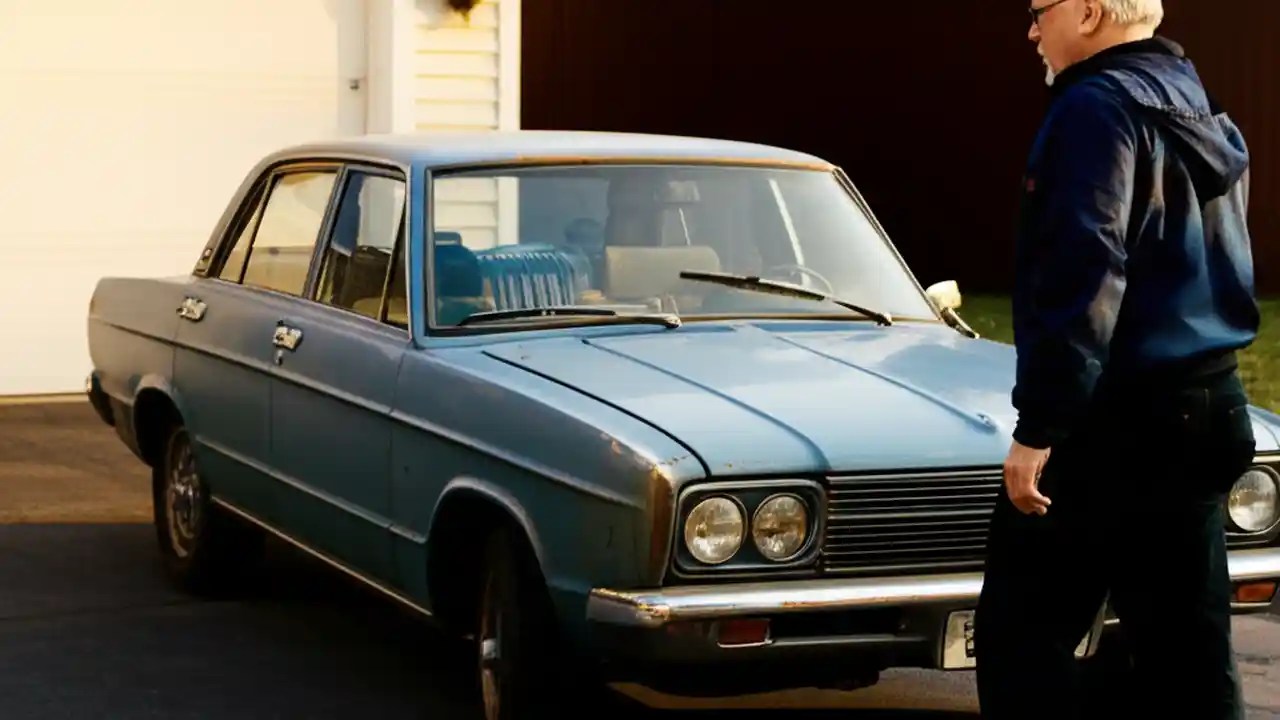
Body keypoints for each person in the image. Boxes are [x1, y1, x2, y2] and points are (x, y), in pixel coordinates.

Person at [974, 1, 1261, 718]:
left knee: (1019, 644)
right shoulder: (1193, 96)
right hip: (1210, 405)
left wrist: (1039, 427)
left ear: (1091, 12)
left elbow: (1086, 272)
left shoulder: (1094, 109)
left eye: (1040, 12)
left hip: (1118, 421)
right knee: (1188, 661)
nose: (1031, 30)